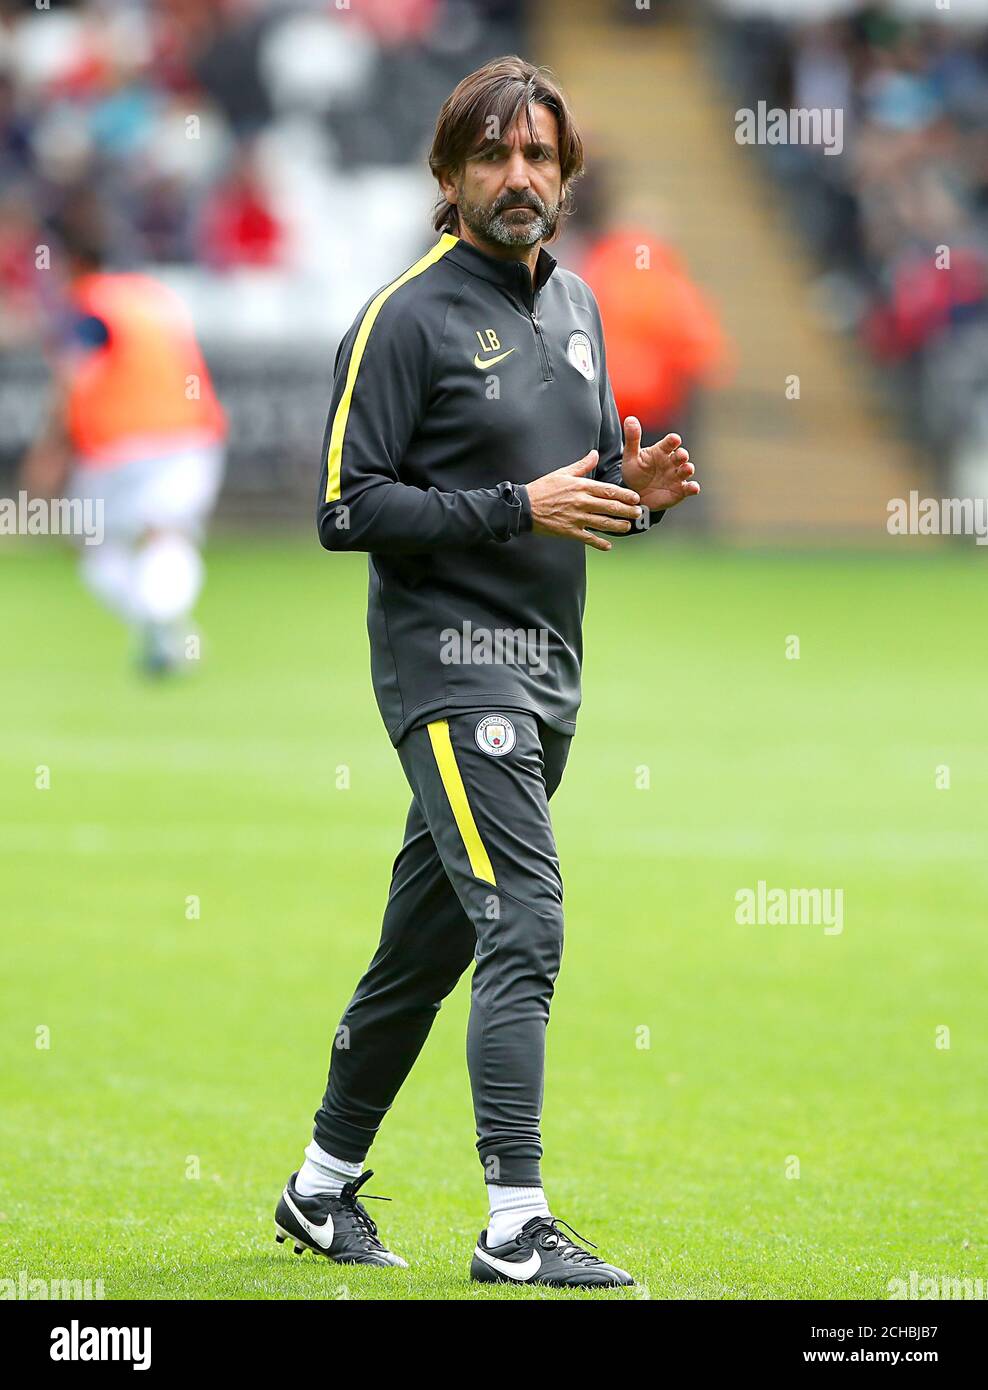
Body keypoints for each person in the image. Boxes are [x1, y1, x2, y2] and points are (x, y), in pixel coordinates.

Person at [275, 56, 699, 1288]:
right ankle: (515, 1220)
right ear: (449, 175)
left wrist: (633, 499)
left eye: (538, 157)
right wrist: (518, 503)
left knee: (425, 950)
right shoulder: (403, 316)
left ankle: (320, 1187)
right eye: (492, 156)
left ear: (567, 177)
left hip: (546, 674)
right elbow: (345, 508)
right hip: (454, 677)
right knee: (524, 921)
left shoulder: (575, 306)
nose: (517, 177)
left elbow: (570, 503)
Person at [21, 226, 226, 674]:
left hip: (119, 446)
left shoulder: (89, 307)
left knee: (94, 544)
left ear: (75, 263)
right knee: (169, 533)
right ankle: (166, 624)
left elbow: (73, 379)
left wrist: (48, 453)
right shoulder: (154, 297)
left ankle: (158, 623)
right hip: (192, 437)